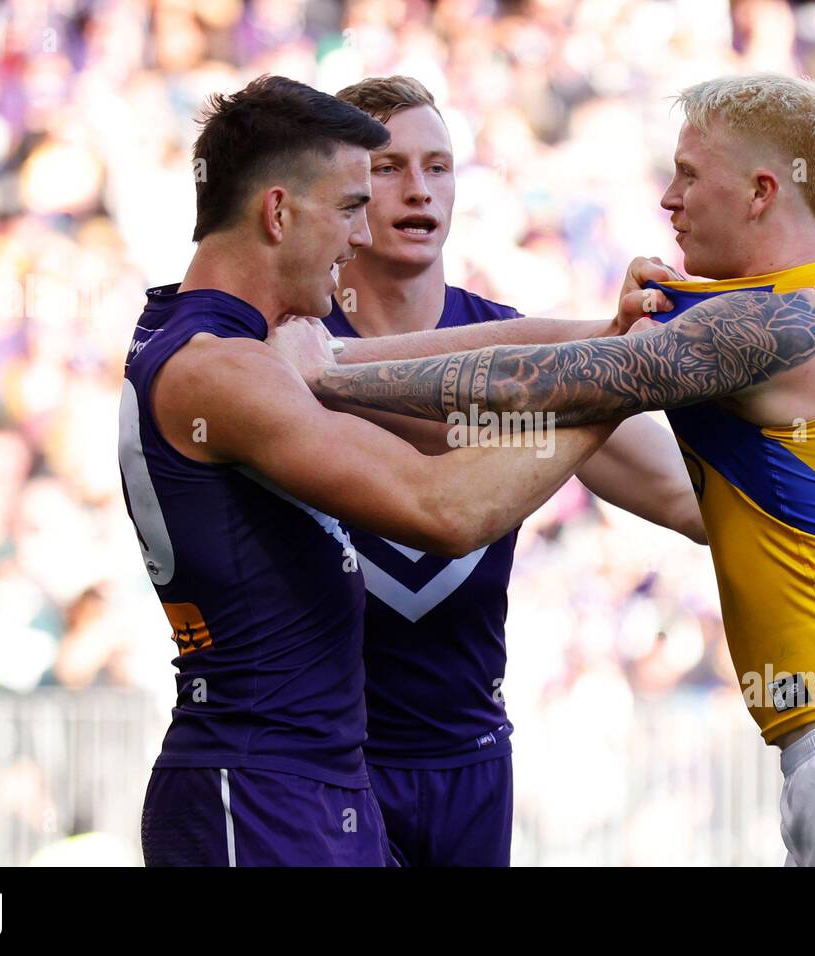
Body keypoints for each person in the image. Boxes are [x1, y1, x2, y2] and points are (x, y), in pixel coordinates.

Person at [280, 73, 815, 867]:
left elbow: (554, 379)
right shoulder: (810, 307)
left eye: (690, 175)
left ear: (763, 191)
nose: (668, 199)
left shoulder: (785, 322)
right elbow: (588, 360)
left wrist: (331, 371)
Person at [119, 75, 617, 867]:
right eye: (351, 206)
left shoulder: (231, 344)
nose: (359, 238)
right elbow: (444, 509)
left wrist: (608, 338)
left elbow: (405, 358)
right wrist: (621, 385)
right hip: (256, 794)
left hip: (309, 789)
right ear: (278, 213)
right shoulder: (221, 371)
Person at [292, 75, 704, 868]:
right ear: (339, 186)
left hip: (468, 761)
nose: (419, 190)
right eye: (389, 168)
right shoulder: (285, 346)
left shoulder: (520, 347)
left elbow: (688, 501)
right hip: (328, 766)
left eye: (439, 167)